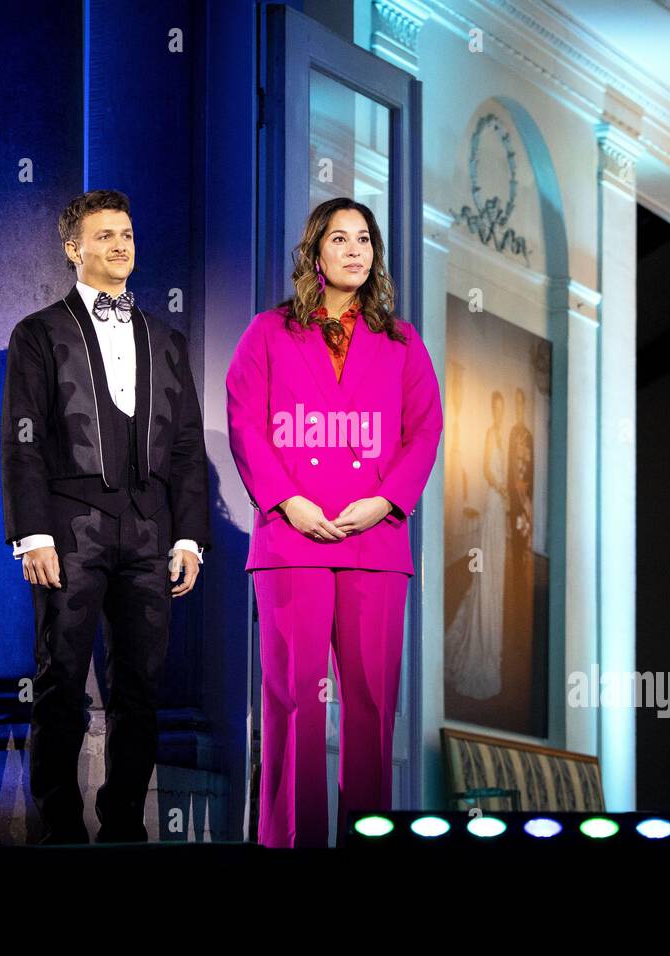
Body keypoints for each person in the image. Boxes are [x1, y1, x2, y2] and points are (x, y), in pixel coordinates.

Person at [226, 197, 442, 847]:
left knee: (373, 707)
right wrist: (288, 501)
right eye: (340, 238)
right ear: (315, 254)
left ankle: (366, 843)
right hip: (292, 539)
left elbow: (425, 430)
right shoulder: (268, 331)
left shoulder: (403, 342)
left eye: (365, 240)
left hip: (374, 540)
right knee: (294, 700)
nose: (355, 249)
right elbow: (245, 423)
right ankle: (289, 845)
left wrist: (385, 501)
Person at [1, 189, 209, 844]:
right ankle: (58, 828)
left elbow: (186, 448)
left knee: (141, 688)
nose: (121, 245)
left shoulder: (166, 338)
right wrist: (31, 533)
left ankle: (124, 828)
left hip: (149, 531)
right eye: (105, 235)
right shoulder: (38, 332)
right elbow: (23, 440)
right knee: (61, 681)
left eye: (127, 233)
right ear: (74, 248)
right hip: (69, 527)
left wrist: (190, 537)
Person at [445, 391, 506, 700]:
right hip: (494, 501)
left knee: (496, 566)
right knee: (485, 568)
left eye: (500, 409)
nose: (497, 414)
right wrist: (501, 488)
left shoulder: (504, 436)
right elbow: (486, 468)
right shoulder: (490, 434)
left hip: (501, 504)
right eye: (494, 408)